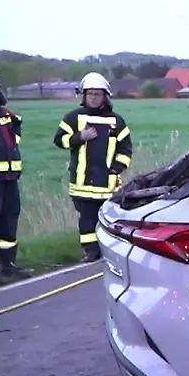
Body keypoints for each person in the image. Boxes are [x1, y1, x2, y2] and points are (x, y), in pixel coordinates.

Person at [54, 73, 133, 263]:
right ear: (84, 95)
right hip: (82, 182)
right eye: (90, 94)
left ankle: (111, 249)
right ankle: (91, 252)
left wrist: (117, 167)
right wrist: (80, 137)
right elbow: (59, 140)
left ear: (105, 96)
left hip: (107, 182)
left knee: (109, 218)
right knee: (87, 220)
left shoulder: (117, 121)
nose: (93, 98)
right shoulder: (73, 118)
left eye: (97, 94)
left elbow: (125, 148)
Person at [0, 70, 28, 282]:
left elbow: (16, 128)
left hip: (9, 177)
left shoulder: (5, 114)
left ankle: (7, 265)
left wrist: (12, 146)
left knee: (8, 222)